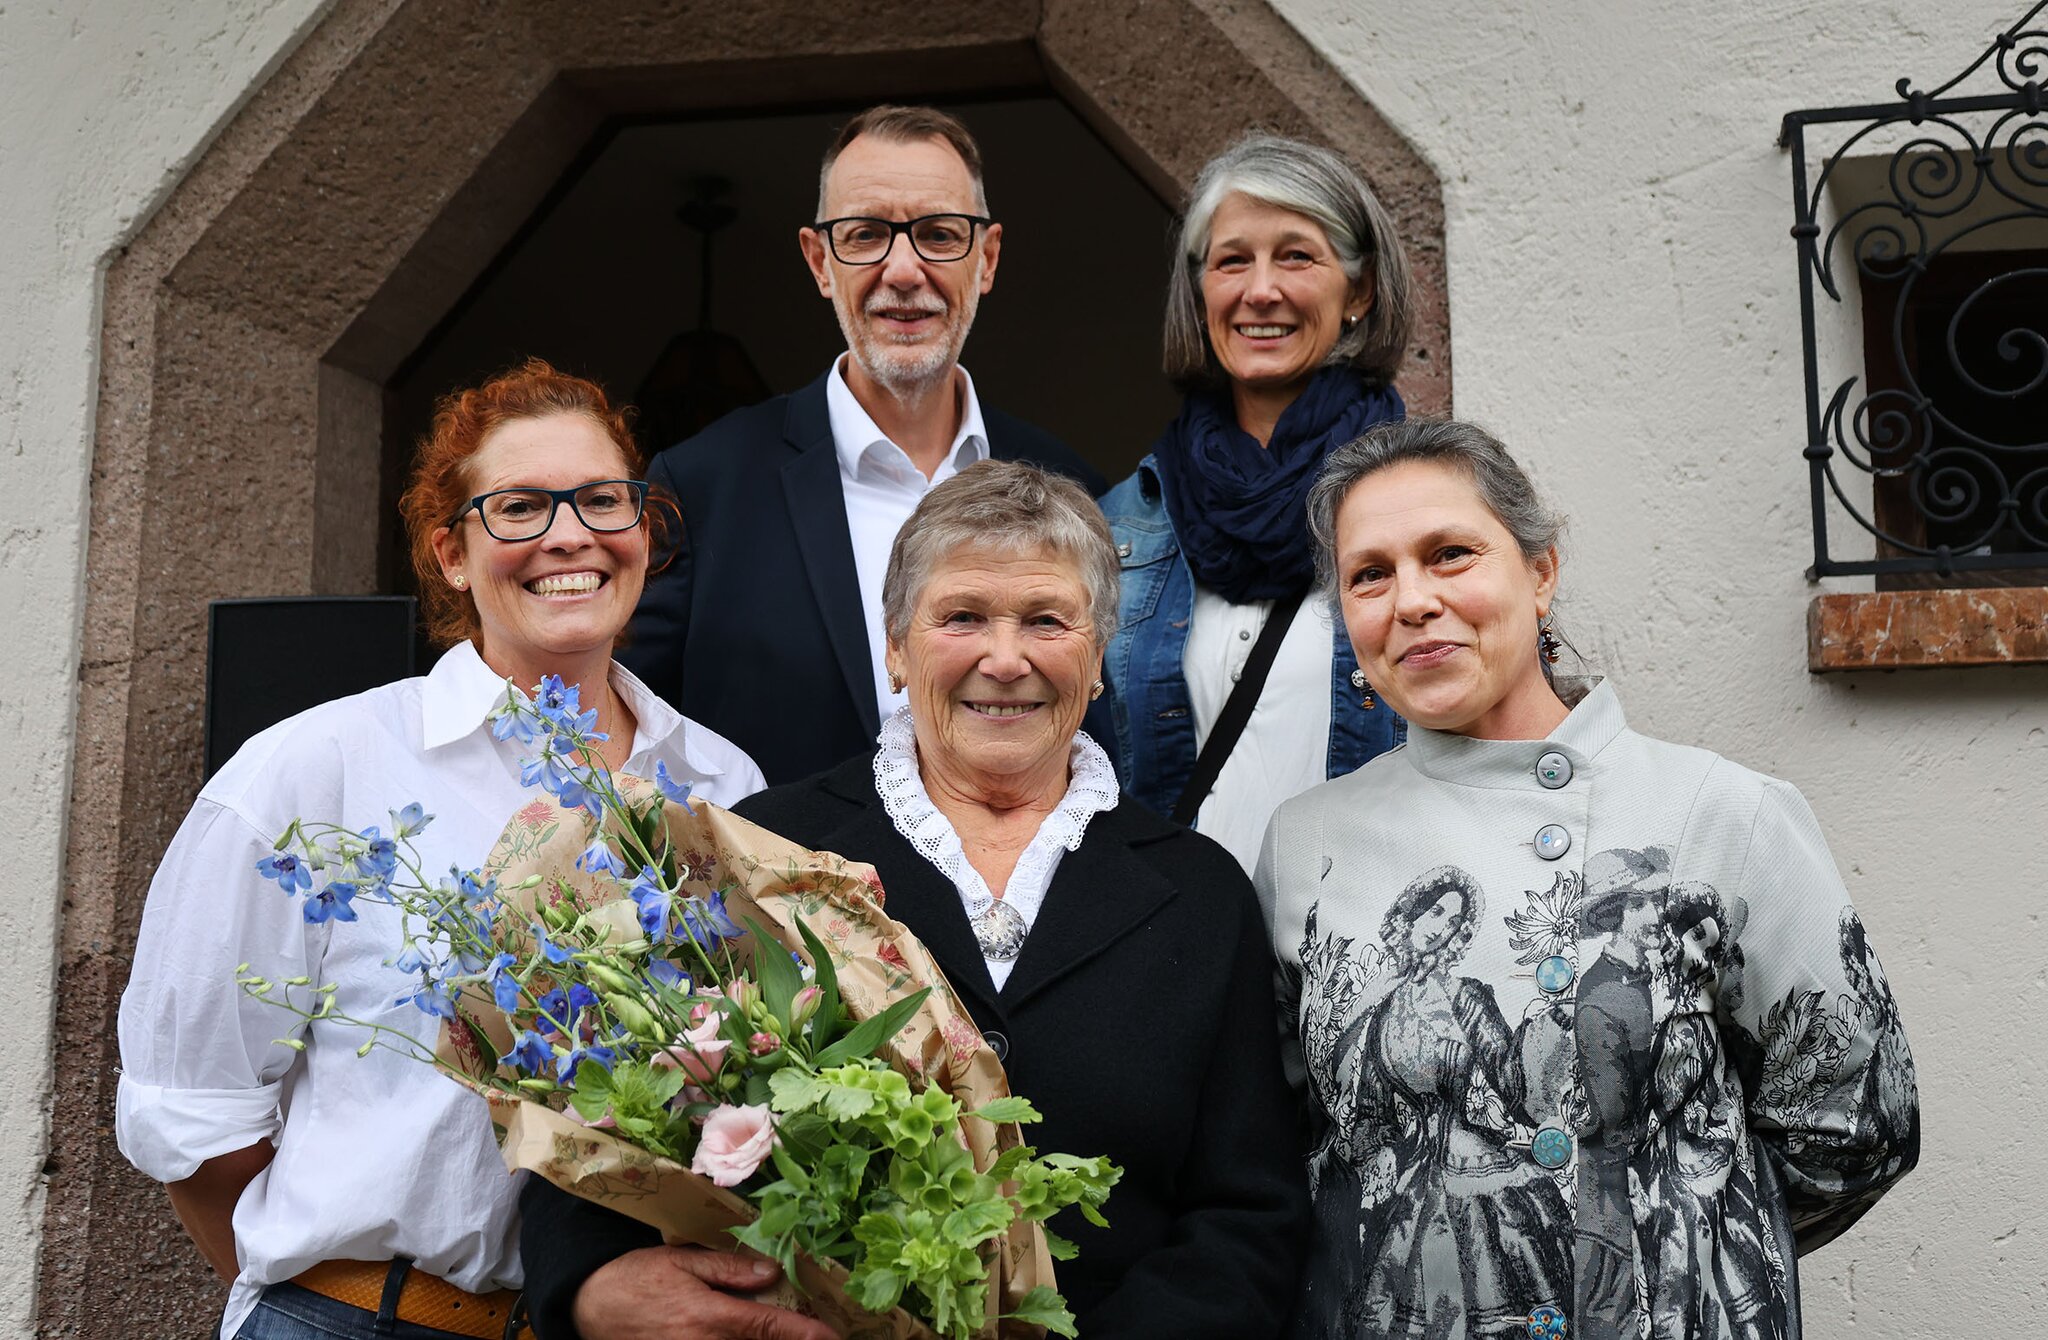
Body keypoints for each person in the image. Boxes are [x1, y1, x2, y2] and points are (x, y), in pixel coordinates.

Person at [523, 460, 1310, 1340]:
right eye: (963, 616)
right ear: (896, 647)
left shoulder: (1200, 893)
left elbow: (1250, 1215)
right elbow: (608, 1100)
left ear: (1097, 658)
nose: (1004, 659)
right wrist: (587, 1284)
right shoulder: (761, 851)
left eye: (1046, 621)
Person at [115, 361, 767, 1340]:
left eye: (602, 499)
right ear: (450, 553)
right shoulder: (318, 770)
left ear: (643, 530)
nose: (569, 534)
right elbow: (195, 1118)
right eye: (517, 508)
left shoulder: (723, 786)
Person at [1257, 418, 1919, 1339]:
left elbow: (1857, 1122)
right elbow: (1285, 1140)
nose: (1411, 600)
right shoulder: (1305, 843)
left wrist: (1683, 1239)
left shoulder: (1726, 812)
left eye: (1450, 554)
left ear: (1541, 573)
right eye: (1371, 573)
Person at [623, 104, 1104, 787]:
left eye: (939, 234)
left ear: (987, 258)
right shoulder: (703, 490)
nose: (903, 270)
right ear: (820, 261)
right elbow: (616, 727)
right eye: (867, 235)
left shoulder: (1077, 492)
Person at [1099, 133, 1411, 873]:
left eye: (1297, 256)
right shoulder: (1127, 521)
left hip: (1375, 950)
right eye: (1233, 259)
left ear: (1359, 291)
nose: (1260, 290)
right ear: (1201, 288)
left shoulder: (1430, 504)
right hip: (1186, 956)